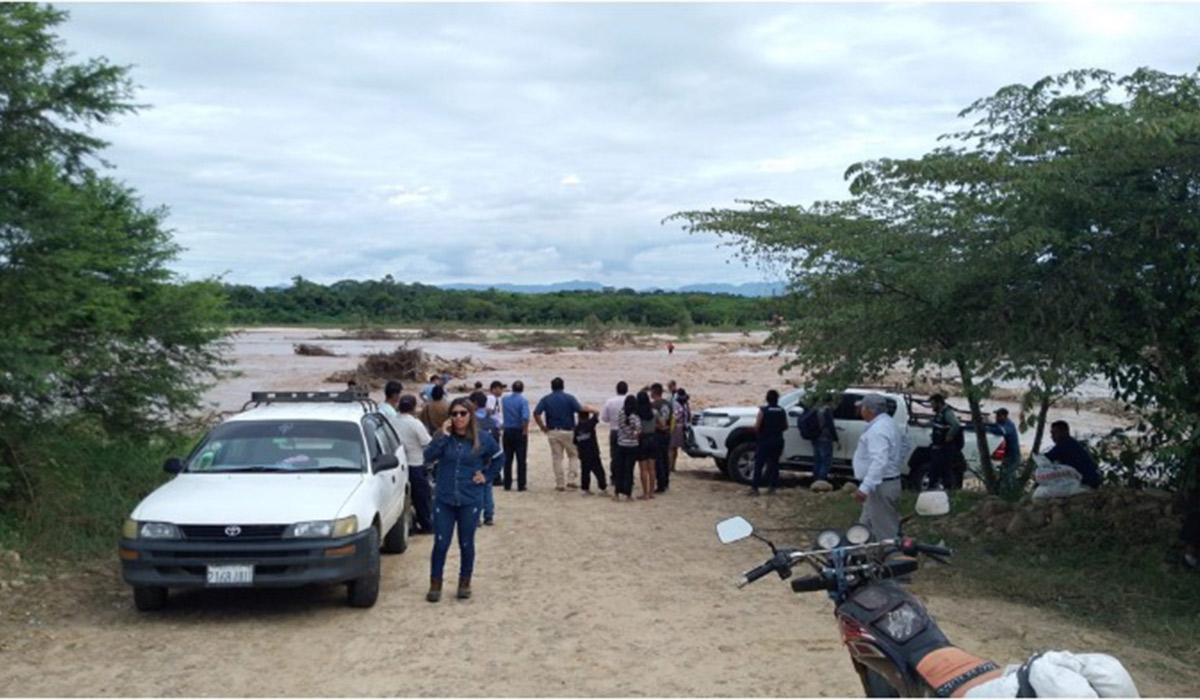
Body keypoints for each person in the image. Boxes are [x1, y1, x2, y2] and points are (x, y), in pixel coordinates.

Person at [422, 397, 504, 602]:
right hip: (444, 499)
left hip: (470, 498)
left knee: (466, 543)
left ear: (470, 415)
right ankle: (435, 583)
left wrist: (486, 475)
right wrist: (442, 435)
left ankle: (464, 582)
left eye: (462, 413)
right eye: (454, 414)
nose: (458, 417)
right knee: (441, 543)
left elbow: (499, 457)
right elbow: (428, 456)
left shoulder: (483, 439)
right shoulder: (444, 438)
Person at [851, 393, 905, 540]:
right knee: (864, 527)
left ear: (870, 410)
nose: (860, 410)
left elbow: (879, 461)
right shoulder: (889, 424)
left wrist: (865, 487)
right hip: (883, 482)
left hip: (880, 485)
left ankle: (891, 558)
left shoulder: (878, 430)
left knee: (885, 531)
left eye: (862, 407)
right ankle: (862, 556)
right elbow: (905, 445)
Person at [533, 377, 594, 491]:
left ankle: (560, 483)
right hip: (568, 430)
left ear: (552, 387)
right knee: (573, 455)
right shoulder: (569, 398)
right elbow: (580, 411)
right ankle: (571, 479)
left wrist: (542, 427)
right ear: (563, 386)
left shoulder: (546, 399)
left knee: (557, 458)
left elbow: (536, 413)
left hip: (553, 431)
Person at [393, 394, 434, 534]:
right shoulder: (415, 423)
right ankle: (426, 525)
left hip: (397, 465)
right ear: (413, 408)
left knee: (402, 498)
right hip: (415, 464)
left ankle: (408, 526)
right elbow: (427, 442)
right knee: (421, 498)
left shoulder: (391, 420)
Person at [750, 389, 788, 495]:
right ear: (777, 399)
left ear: (767, 399)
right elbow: (786, 426)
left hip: (765, 441)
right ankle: (772, 488)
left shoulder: (763, 410)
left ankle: (755, 488)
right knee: (774, 464)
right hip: (777, 440)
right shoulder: (782, 411)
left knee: (759, 464)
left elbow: (757, 426)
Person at [1044, 420, 1101, 489]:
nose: (1052, 436)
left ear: (1064, 432)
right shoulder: (1070, 442)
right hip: (1092, 478)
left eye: (1054, 433)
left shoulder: (1065, 444)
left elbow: (1046, 458)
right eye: (1052, 433)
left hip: (1086, 480)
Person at [470, 391, 499, 526]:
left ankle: (477, 517)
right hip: (489, 456)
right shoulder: (491, 416)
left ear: (474, 403)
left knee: (475, 486)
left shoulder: (471, 419)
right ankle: (489, 515)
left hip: (475, 457)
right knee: (487, 485)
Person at [928, 394, 963, 490]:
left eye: (933, 404)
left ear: (939, 403)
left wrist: (949, 435)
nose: (931, 406)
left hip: (944, 449)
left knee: (945, 471)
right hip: (938, 447)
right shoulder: (939, 414)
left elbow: (956, 425)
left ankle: (947, 489)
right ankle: (933, 488)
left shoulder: (947, 413)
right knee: (935, 471)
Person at [500, 380, 530, 491]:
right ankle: (521, 484)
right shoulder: (523, 401)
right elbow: (525, 417)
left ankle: (507, 483)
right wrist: (525, 430)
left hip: (507, 430)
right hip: (518, 431)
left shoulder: (505, 400)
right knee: (521, 458)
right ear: (522, 389)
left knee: (508, 458)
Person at [600, 381, 630, 488]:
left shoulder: (610, 401)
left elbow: (604, 418)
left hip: (614, 429)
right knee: (627, 455)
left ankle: (615, 477)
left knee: (615, 455)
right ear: (627, 390)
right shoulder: (629, 401)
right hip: (628, 430)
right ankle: (627, 477)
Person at [613, 395, 640, 502]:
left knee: (620, 468)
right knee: (629, 470)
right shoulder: (635, 416)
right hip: (632, 445)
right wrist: (634, 433)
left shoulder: (620, 414)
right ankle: (628, 494)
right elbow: (638, 430)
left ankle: (617, 493)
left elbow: (620, 426)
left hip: (621, 444)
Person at [987, 407, 1021, 493]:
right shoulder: (1001, 424)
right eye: (996, 415)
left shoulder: (1009, 425)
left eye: (999, 416)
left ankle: (1013, 493)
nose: (997, 418)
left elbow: (1002, 431)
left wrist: (988, 428)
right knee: (1005, 475)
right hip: (1007, 456)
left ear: (1005, 416)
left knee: (1008, 476)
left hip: (1013, 456)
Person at [574, 410, 607, 494]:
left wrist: (578, 452)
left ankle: (585, 489)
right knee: (599, 471)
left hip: (583, 453)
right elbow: (597, 413)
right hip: (593, 452)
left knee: (585, 471)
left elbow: (576, 442)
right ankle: (602, 488)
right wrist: (589, 409)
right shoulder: (590, 424)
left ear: (578, 417)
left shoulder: (577, 428)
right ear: (588, 417)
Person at [809, 398, 838, 489]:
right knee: (826, 462)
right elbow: (830, 426)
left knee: (817, 460)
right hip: (825, 439)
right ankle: (821, 482)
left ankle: (815, 480)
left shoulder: (816, 409)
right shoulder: (826, 410)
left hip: (815, 437)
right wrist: (836, 439)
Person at [635, 390, 657, 499]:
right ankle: (652, 492)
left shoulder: (637, 414)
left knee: (643, 469)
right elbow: (661, 423)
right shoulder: (653, 412)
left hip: (641, 439)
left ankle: (645, 493)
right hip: (652, 439)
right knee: (652, 468)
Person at [650, 383, 672, 493]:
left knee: (658, 460)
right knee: (665, 458)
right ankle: (666, 482)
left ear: (654, 392)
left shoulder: (654, 405)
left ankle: (661, 484)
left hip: (658, 434)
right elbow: (673, 419)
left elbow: (653, 421)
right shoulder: (668, 404)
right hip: (667, 434)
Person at [668, 388, 691, 473]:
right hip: (682, 428)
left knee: (671, 448)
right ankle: (673, 465)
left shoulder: (676, 404)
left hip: (675, 427)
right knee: (675, 448)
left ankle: (670, 466)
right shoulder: (685, 404)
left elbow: (675, 417)